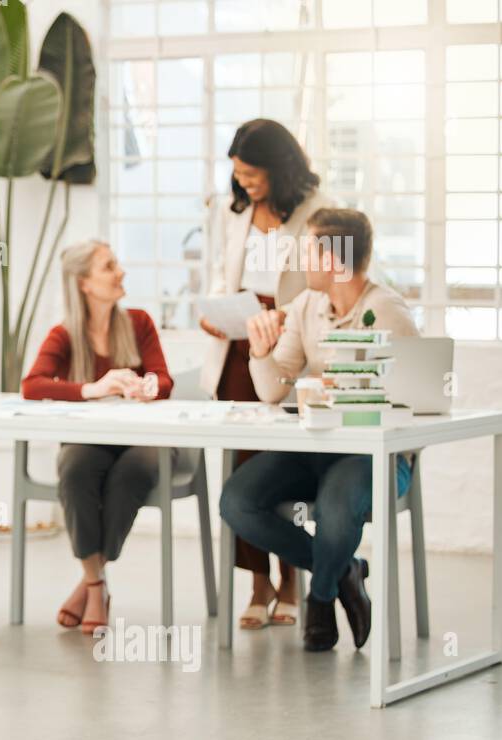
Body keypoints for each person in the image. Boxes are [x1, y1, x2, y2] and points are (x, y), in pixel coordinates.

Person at [218, 208, 419, 651]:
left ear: (333, 259)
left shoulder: (387, 311)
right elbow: (273, 391)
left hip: (373, 456)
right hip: (317, 448)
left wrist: (346, 389)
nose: (299, 262)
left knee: (335, 506)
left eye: (307, 250)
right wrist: (260, 351)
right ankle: (343, 570)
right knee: (238, 501)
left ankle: (322, 597)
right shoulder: (308, 306)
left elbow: (414, 400)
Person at [199, 118, 332, 631]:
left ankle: (293, 576)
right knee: (242, 468)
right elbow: (218, 270)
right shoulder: (233, 210)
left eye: (254, 174)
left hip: (294, 343)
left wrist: (288, 315)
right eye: (238, 174)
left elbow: (331, 281)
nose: (246, 183)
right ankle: (256, 583)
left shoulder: (318, 209)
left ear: (280, 168)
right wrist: (213, 312)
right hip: (239, 345)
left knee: (286, 463)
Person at [22, 240, 174, 635]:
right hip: (89, 439)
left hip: (140, 440)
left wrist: (148, 386)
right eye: (109, 266)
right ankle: (96, 585)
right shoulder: (65, 334)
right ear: (85, 283)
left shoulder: (138, 322)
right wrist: (95, 387)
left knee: (135, 471)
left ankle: (90, 584)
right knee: (74, 467)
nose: (120, 271)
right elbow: (32, 385)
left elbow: (164, 378)